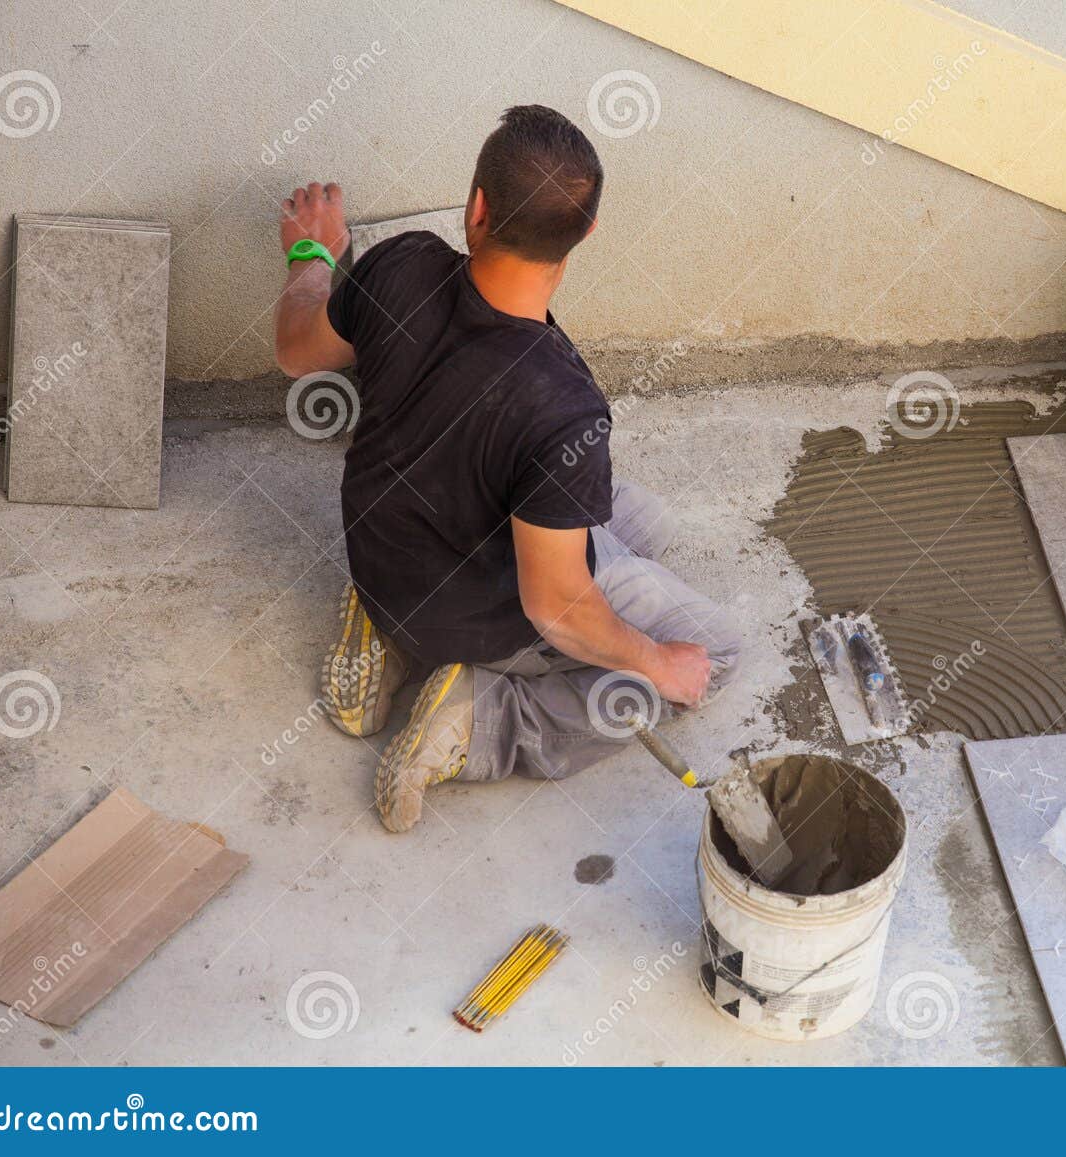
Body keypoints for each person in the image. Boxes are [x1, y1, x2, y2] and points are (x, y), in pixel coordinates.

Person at [271, 105, 740, 833]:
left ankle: (382, 630)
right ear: (586, 234)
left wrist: (314, 258)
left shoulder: (402, 264)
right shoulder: (563, 408)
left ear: (477, 206)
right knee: (709, 655)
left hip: (384, 560)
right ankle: (484, 717)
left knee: (647, 519)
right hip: (483, 620)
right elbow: (557, 606)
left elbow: (298, 351)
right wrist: (659, 663)